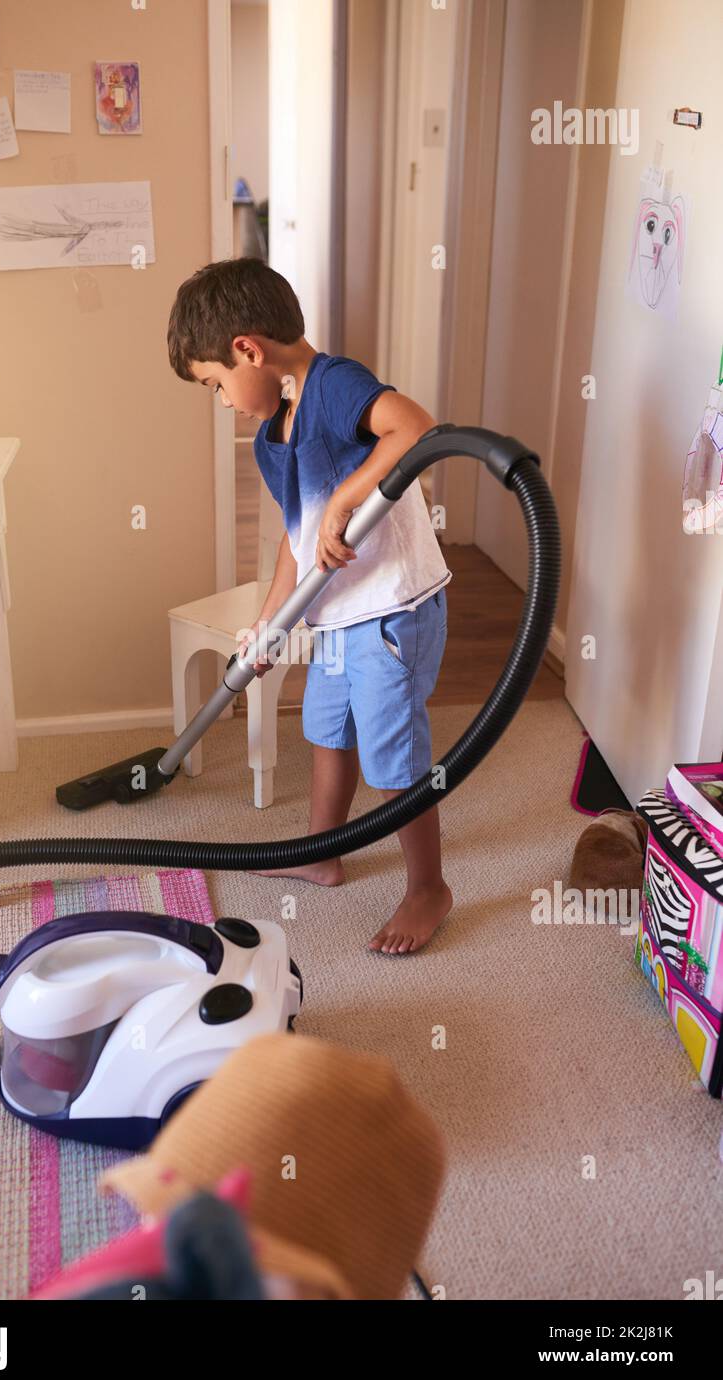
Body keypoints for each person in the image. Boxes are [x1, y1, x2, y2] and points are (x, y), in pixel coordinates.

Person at [167, 258, 452, 954]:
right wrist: (269, 623)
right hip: (333, 617)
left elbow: (416, 426)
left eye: (215, 385)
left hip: (390, 610)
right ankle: (321, 851)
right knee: (327, 732)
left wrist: (349, 499)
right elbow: (297, 539)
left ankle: (427, 888)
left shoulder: (334, 383)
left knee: (393, 758)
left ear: (247, 350)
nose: (224, 402)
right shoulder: (273, 433)